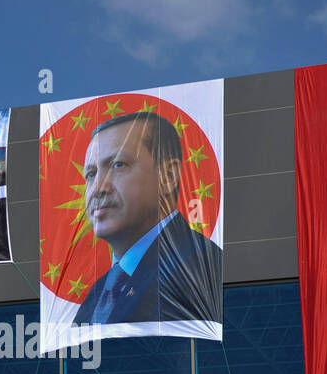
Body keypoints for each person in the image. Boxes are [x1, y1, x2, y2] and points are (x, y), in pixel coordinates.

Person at [70, 111, 222, 327]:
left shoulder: (201, 267)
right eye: (91, 174)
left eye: (118, 165)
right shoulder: (98, 293)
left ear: (168, 176)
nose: (98, 188)